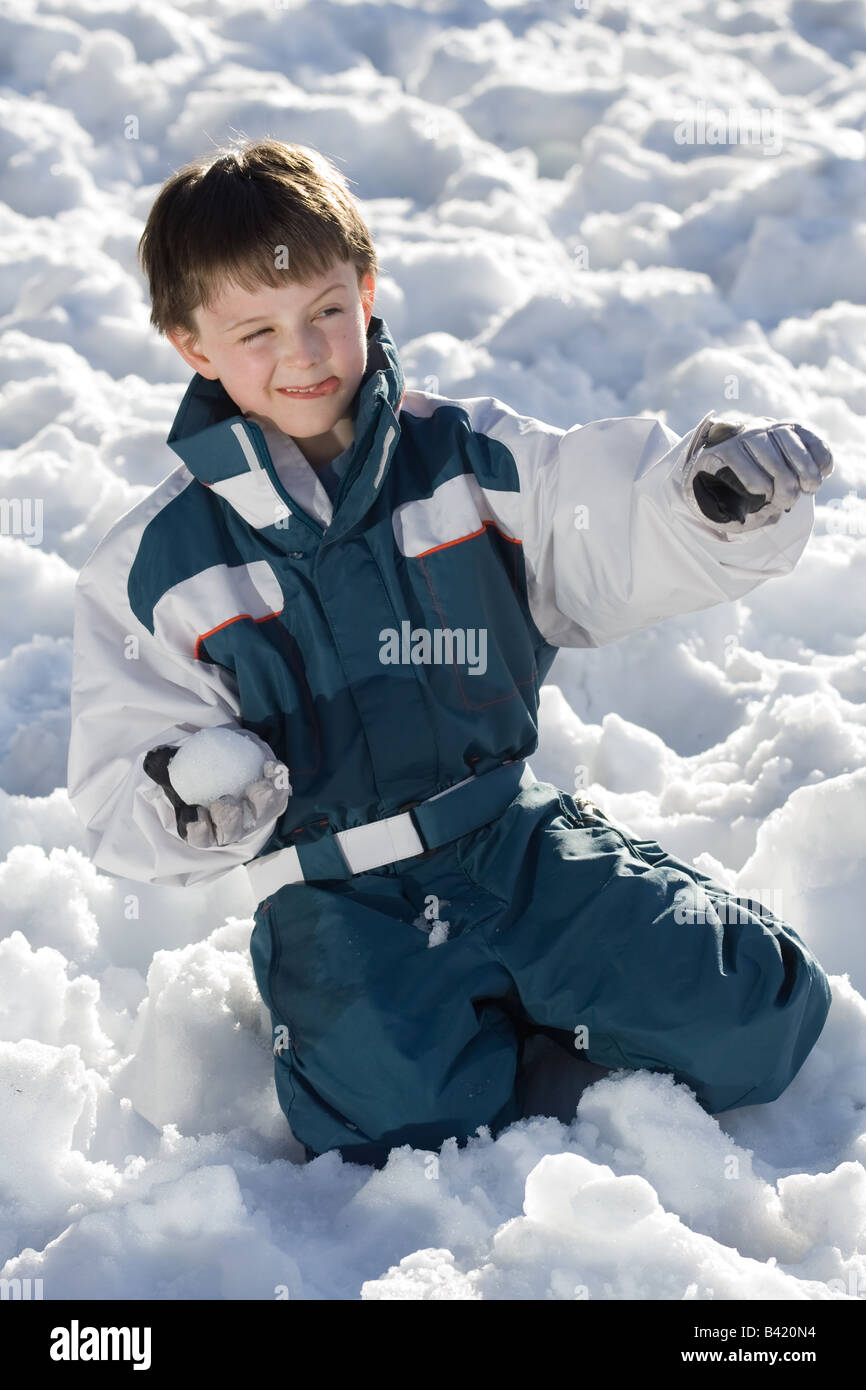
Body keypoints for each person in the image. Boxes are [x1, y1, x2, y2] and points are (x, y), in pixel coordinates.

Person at [67, 138, 835, 1169]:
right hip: (341, 898)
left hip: (509, 844)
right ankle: (449, 1019)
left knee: (760, 1017)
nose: (303, 354)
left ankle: (564, 974)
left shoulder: (468, 459)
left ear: (367, 289)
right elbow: (124, 776)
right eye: (256, 331)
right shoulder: (157, 565)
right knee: (397, 1130)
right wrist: (190, 800)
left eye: (325, 312)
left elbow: (600, 523)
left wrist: (708, 500)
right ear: (192, 346)